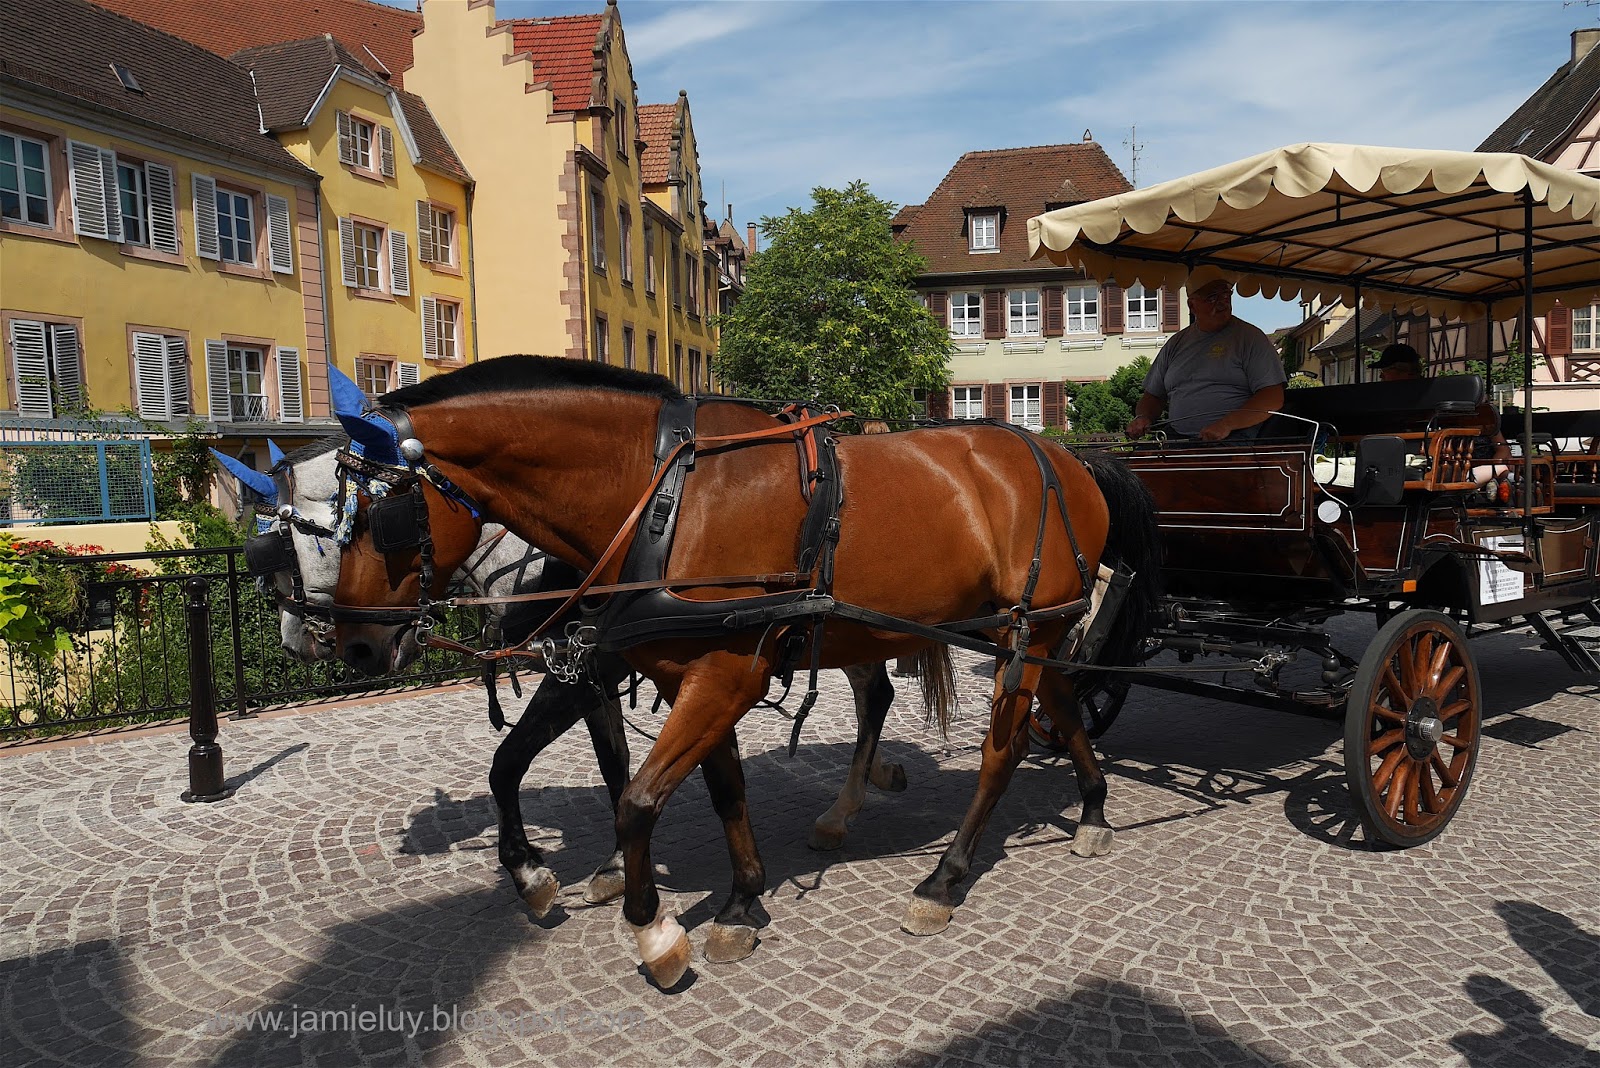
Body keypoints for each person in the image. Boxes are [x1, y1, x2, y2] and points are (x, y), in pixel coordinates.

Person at [1125, 277, 1287, 442]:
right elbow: (1153, 395)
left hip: (1236, 437)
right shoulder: (1176, 344)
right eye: (1212, 298)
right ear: (1192, 305)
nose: (1222, 303)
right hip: (1178, 436)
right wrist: (1143, 417)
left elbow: (1272, 396)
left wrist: (1227, 424)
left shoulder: (1251, 338)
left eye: (1226, 296)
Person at [1369, 341, 1510, 488]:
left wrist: (1494, 470)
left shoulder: (1446, 396)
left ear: (1403, 371)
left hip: (1462, 467)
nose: (1381, 377)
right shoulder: (1387, 404)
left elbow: (1502, 447)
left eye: (1384, 372)